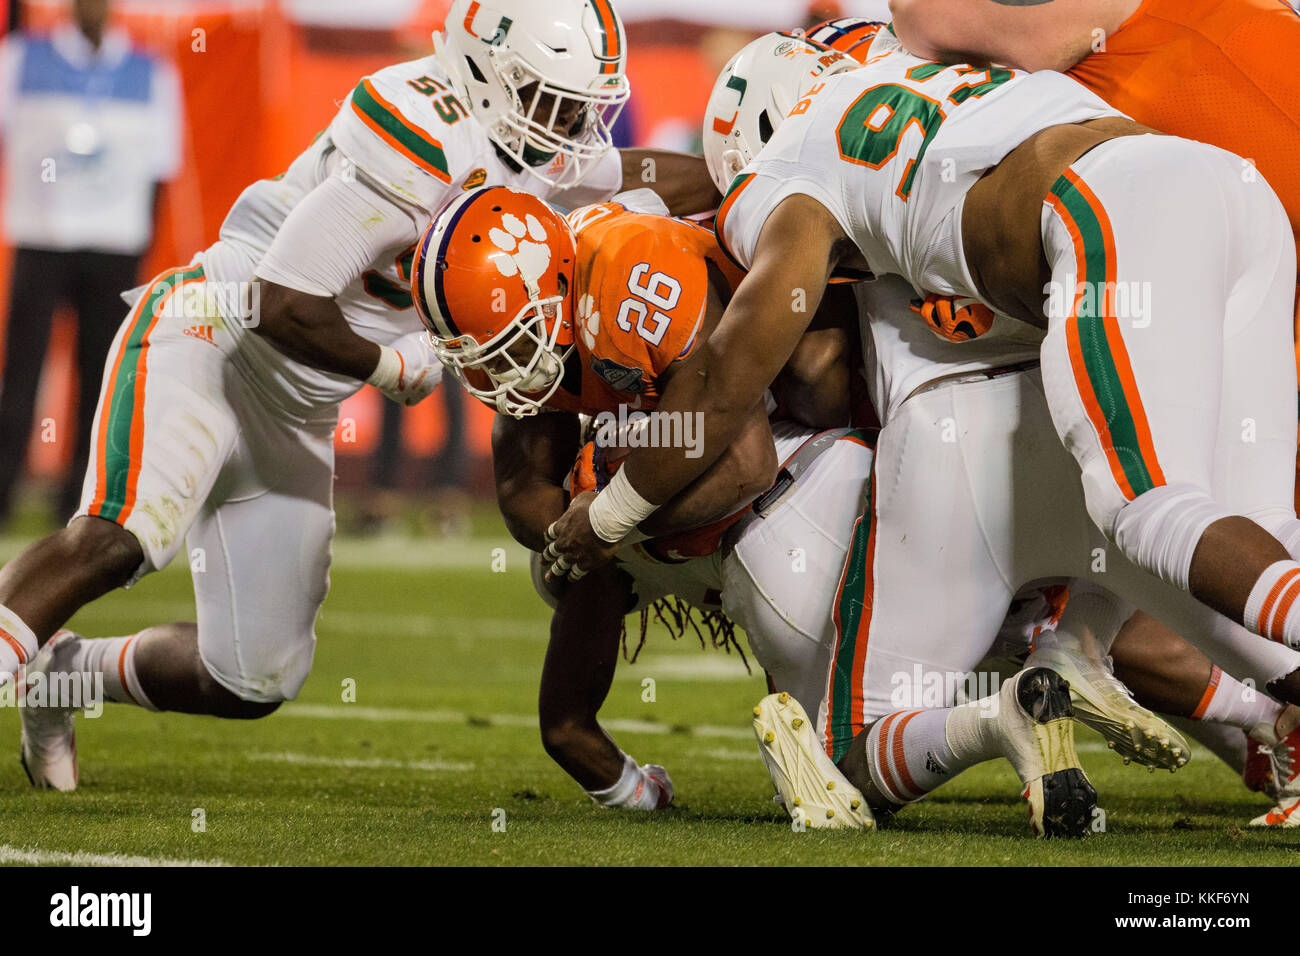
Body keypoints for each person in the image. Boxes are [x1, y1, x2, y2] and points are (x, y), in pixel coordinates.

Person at [5, 0, 718, 791]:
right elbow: (283, 301)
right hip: (214, 335)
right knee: (122, 537)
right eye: (559, 102)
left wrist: (751, 183)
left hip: (297, 406)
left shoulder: (528, 138)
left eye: (585, 103)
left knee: (254, 676)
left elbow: (650, 173)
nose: (579, 125)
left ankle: (63, 673)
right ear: (490, 73)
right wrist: (389, 367)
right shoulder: (418, 127)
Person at [0, 0, 182, 525]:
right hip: (42, 237)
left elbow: (161, 170)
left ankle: (81, 495)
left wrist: (139, 241)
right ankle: (4, 488)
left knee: (102, 375)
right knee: (22, 370)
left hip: (115, 243)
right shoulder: (22, 58)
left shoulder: (153, 71)